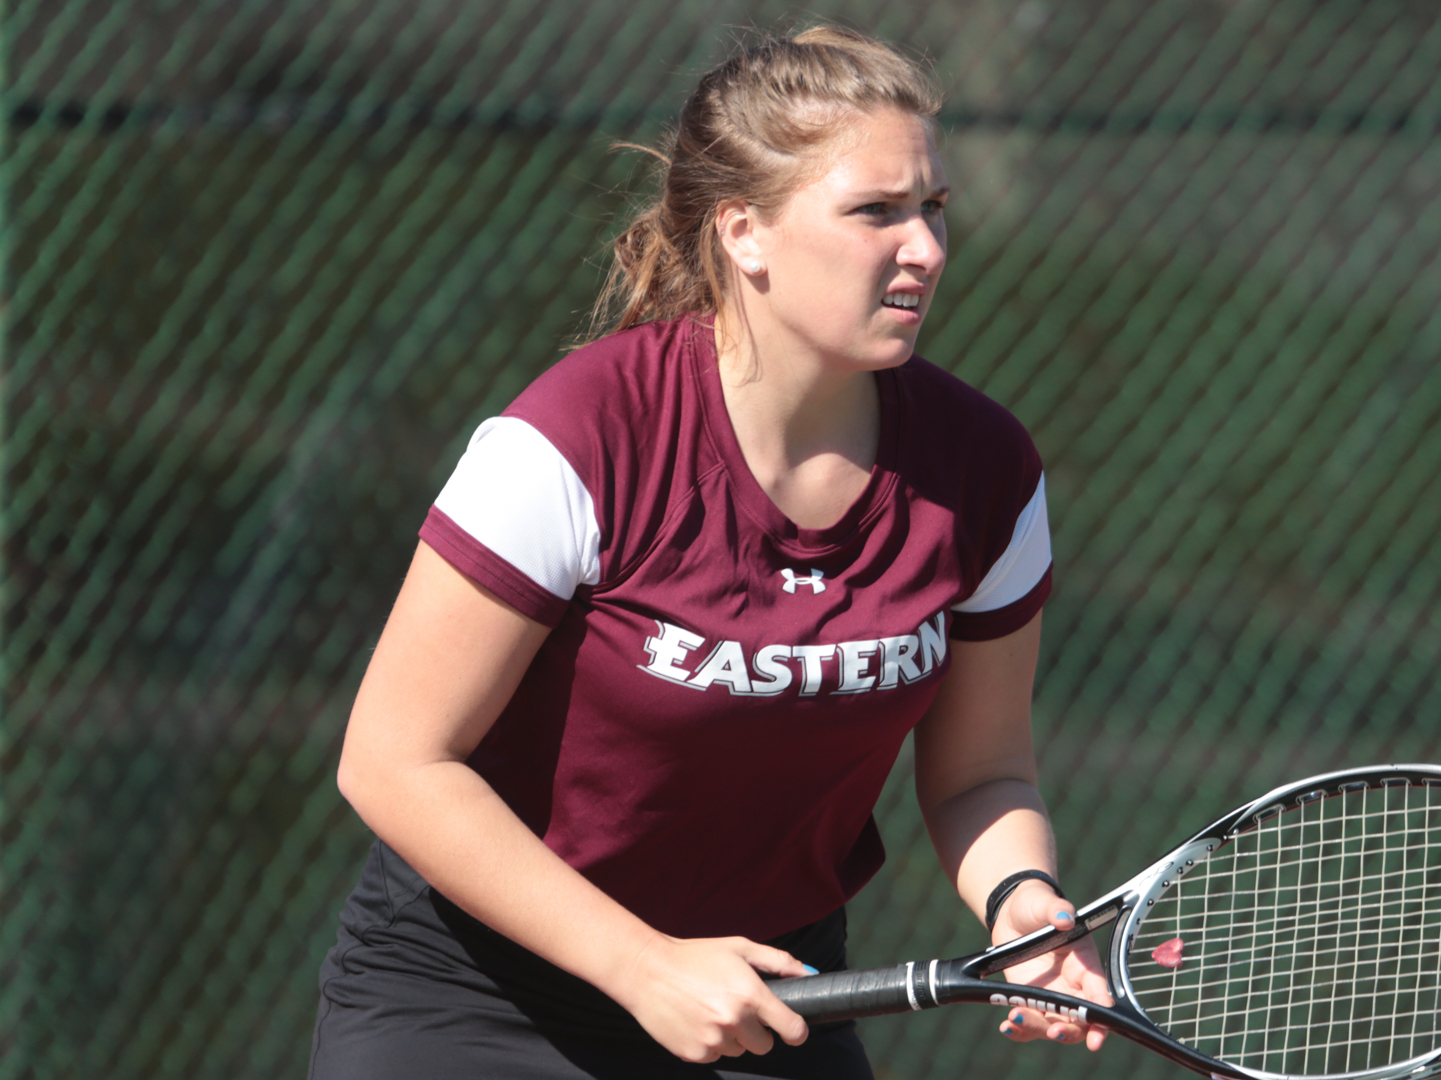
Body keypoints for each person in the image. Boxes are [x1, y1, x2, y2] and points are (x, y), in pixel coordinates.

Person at [308, 26, 1108, 1080]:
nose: (924, 247)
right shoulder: (575, 440)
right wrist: (639, 964)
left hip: (772, 998)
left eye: (932, 208)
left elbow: (983, 775)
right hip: (475, 998)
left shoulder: (984, 472)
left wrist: (1025, 905)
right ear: (744, 232)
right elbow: (395, 762)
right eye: (876, 211)